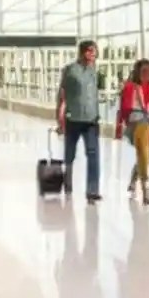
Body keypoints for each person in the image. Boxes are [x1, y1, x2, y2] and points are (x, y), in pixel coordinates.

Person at [56, 40, 102, 203]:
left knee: (93, 154)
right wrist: (60, 117)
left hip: (91, 120)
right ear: (82, 52)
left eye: (95, 52)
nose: (93, 55)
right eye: (90, 51)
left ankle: (92, 190)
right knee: (69, 153)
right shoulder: (70, 71)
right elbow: (62, 95)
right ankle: (67, 183)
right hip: (73, 118)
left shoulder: (93, 72)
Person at [115, 58, 149, 204]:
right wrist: (120, 126)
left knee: (146, 156)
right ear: (138, 72)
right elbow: (123, 108)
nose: (148, 74)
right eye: (144, 71)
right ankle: (146, 186)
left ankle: (133, 180)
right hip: (137, 122)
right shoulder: (130, 87)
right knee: (144, 152)